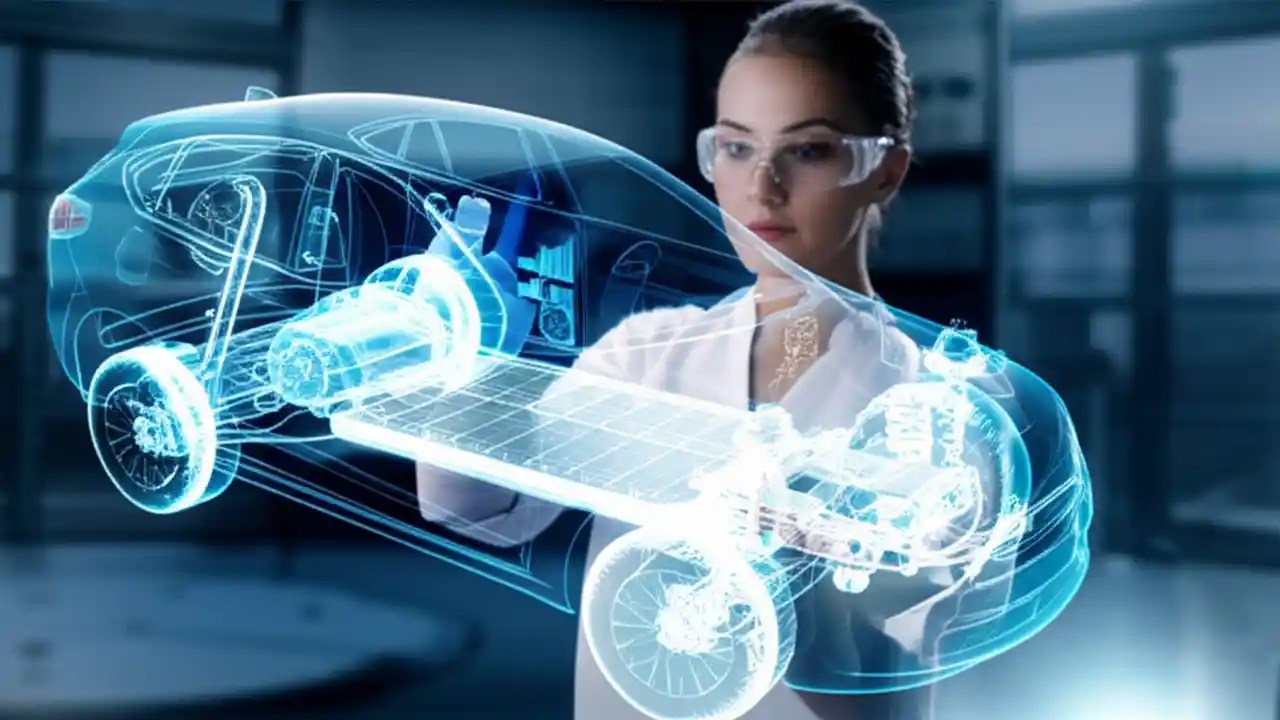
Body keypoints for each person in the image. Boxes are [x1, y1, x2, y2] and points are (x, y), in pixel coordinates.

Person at [419, 1, 957, 717]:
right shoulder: (648, 355)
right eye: (736, 147)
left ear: (884, 170)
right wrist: (463, 352)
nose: (762, 188)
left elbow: (884, 688)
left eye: (808, 150)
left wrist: (784, 553)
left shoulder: (932, 411)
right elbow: (479, 508)